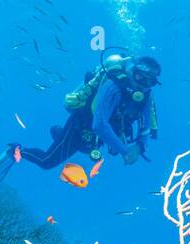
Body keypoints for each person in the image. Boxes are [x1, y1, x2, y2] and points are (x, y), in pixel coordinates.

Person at [10, 53, 161, 171]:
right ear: (132, 72)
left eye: (150, 82)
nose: (142, 85)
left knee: (83, 148)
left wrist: (140, 146)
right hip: (81, 127)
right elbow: (99, 125)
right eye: (140, 77)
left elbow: (146, 126)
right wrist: (125, 151)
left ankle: (58, 134)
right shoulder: (113, 86)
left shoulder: (146, 95)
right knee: (47, 161)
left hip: (98, 138)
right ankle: (17, 150)